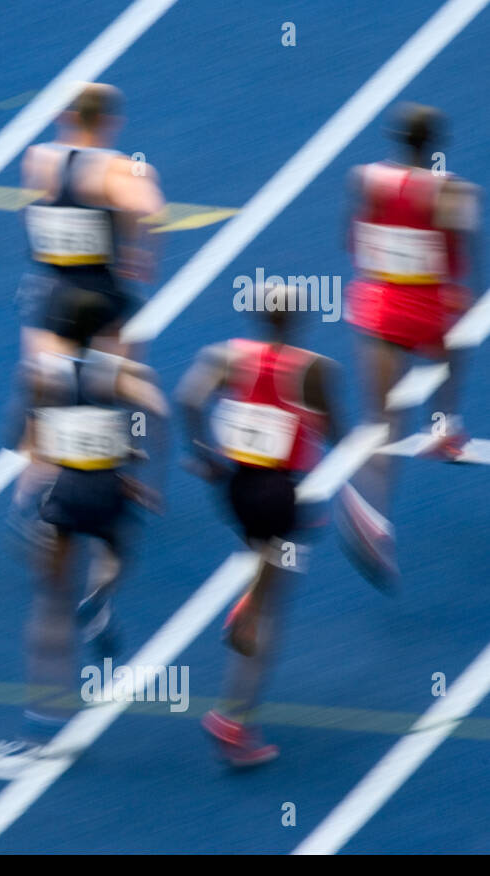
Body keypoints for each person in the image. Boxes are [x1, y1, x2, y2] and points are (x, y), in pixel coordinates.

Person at [177, 283, 344, 765]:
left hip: (235, 490)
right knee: (270, 613)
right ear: (298, 319)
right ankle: (233, 721)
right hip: (279, 495)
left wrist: (204, 454)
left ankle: (253, 594)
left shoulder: (226, 357)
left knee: (268, 554)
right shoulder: (314, 369)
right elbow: (337, 431)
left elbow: (188, 399)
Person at [339, 102, 480, 587]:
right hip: (426, 310)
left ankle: (370, 515)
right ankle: (444, 422)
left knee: (380, 423)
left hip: (375, 303)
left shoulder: (365, 179)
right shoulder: (455, 191)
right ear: (436, 145)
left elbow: (350, 238)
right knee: (458, 339)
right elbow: (463, 258)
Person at [12, 290, 167, 733]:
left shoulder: (41, 375)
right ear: (102, 331)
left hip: (62, 489)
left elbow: (36, 437)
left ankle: (43, 700)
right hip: (104, 488)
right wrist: (145, 474)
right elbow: (157, 410)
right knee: (116, 550)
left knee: (48, 601)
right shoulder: (118, 373)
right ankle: (98, 598)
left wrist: (30, 488)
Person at [17, 83, 163, 362]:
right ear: (110, 122)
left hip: (52, 291)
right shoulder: (122, 169)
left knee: (43, 384)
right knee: (120, 385)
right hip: (103, 293)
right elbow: (147, 207)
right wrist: (141, 254)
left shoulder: (37, 159)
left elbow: (28, 209)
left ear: (65, 116)